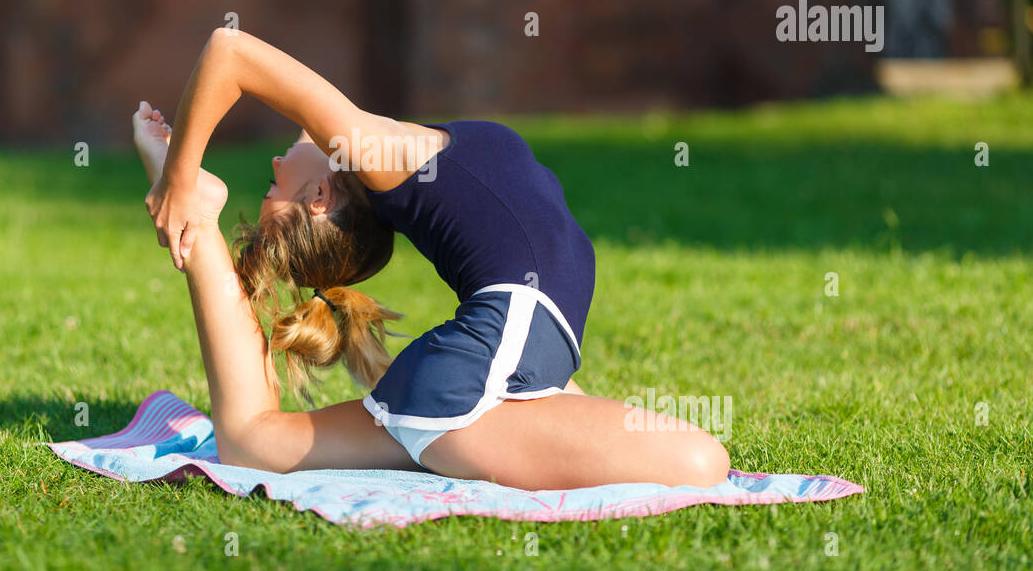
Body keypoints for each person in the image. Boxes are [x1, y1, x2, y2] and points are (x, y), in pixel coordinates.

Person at [135, 28, 730, 490]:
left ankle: (203, 221)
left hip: (496, 361)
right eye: (274, 190)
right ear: (319, 198)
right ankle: (198, 214)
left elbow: (233, 53)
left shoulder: (392, 154)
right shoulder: (371, 150)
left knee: (254, 440)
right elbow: (229, 51)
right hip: (477, 370)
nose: (270, 168)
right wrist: (178, 182)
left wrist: (181, 179)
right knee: (703, 461)